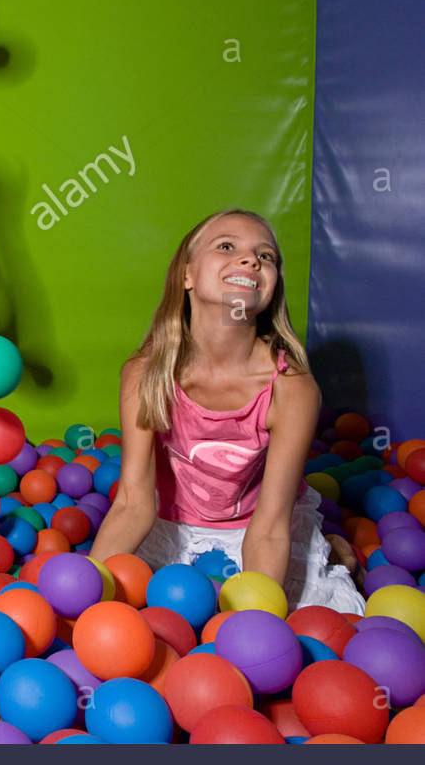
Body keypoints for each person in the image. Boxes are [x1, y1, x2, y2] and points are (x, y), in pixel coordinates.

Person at [89, 208, 364, 612]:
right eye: (226, 247)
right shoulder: (146, 373)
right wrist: (89, 590)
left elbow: (270, 527)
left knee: (304, 610)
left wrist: (258, 621)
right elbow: (133, 502)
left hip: (255, 527)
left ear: (272, 287)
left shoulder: (291, 388)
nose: (250, 259)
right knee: (138, 604)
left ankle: (325, 547)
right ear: (187, 276)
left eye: (265, 256)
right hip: (170, 523)